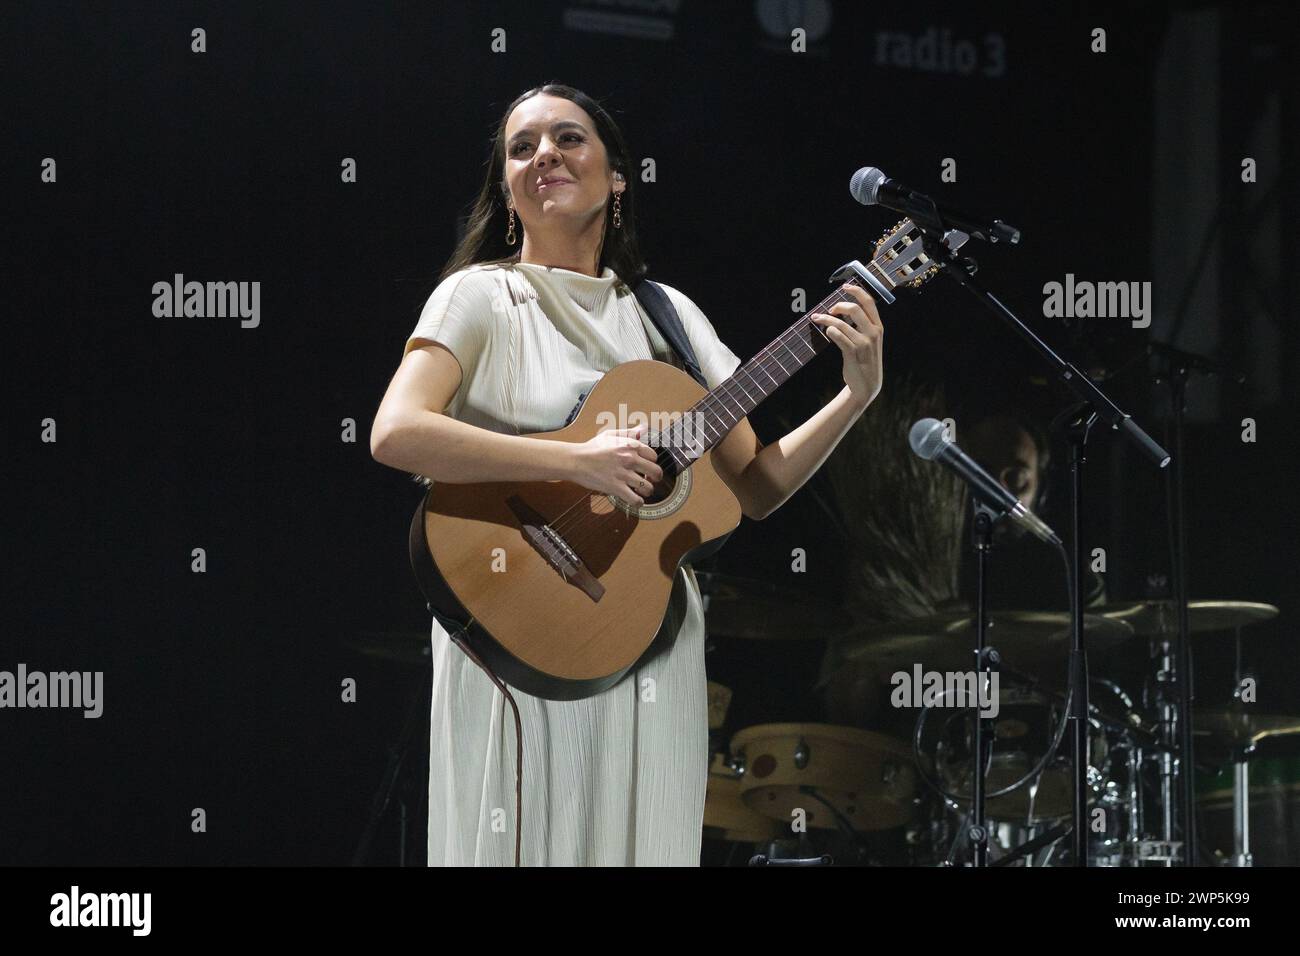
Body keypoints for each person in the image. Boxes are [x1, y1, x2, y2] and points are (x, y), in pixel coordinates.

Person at [370, 83, 884, 866]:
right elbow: (398, 433)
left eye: (568, 138)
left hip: (646, 631)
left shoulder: (668, 316)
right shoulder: (479, 296)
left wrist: (856, 395)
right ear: (506, 187)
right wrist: (578, 462)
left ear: (618, 177)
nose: (544, 154)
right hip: (522, 616)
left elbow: (757, 487)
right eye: (522, 147)